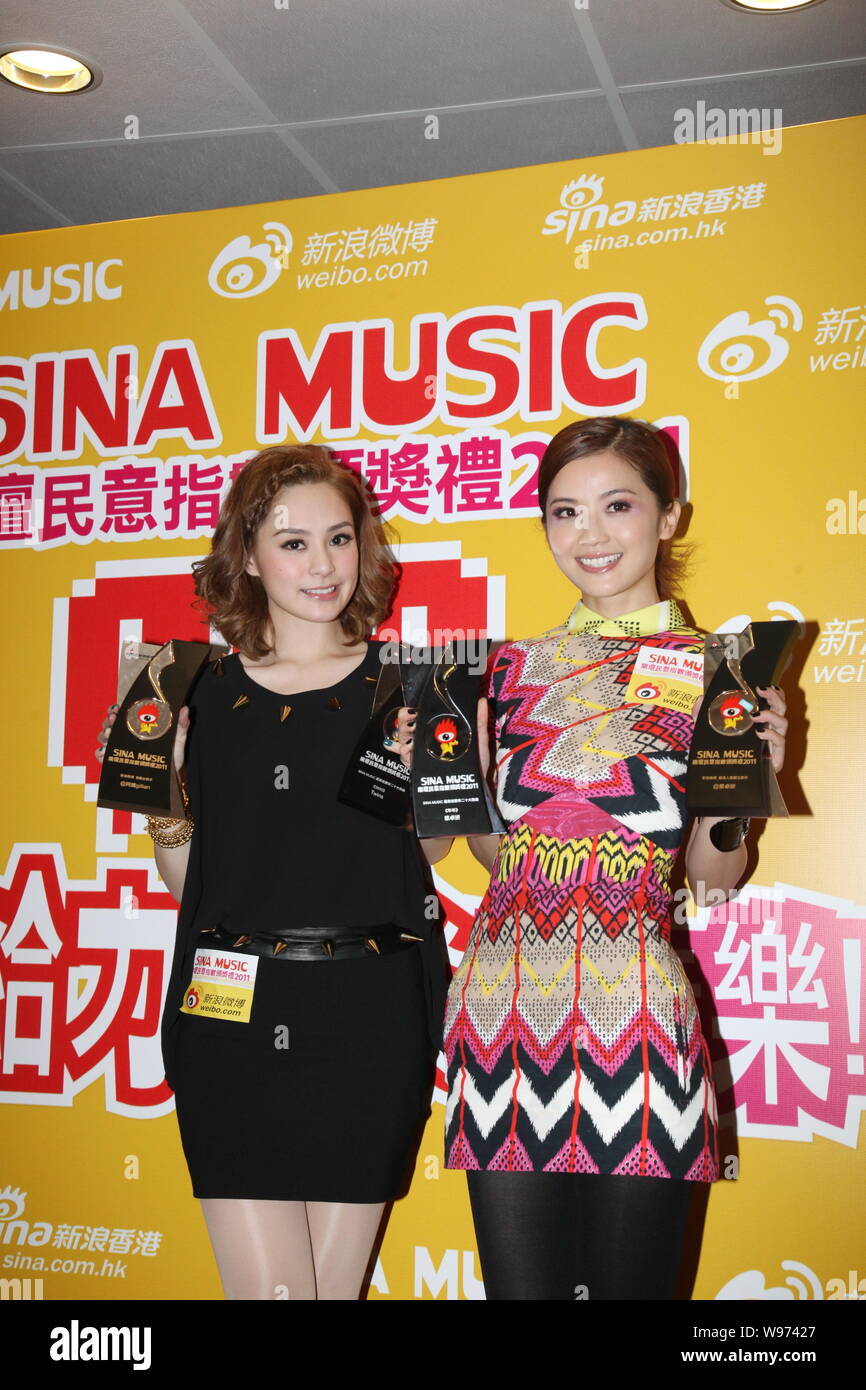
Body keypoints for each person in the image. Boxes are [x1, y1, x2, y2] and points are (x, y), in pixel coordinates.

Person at [397, 415, 789, 1300]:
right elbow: (499, 858)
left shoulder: (714, 669)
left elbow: (712, 882)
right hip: (502, 1011)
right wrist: (456, 770)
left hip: (637, 1018)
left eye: (617, 506)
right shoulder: (502, 671)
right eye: (565, 513)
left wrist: (747, 781)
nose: (591, 535)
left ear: (670, 514)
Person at [96, 444, 451, 1300]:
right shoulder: (192, 689)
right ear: (247, 555)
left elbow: (430, 858)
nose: (322, 564)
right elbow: (193, 889)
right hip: (229, 1008)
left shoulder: (411, 685)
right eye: (293, 543)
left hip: (370, 1013)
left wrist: (415, 783)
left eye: (339, 537)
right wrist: (166, 794)